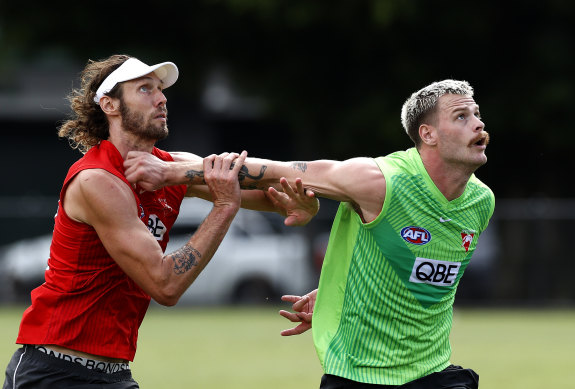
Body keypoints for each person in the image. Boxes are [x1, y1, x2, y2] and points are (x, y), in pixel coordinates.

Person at [123, 79, 494, 388]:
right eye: (461, 116)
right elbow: (272, 170)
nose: (477, 124)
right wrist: (168, 171)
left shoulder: (481, 201)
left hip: (433, 373)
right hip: (359, 375)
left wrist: (344, 290)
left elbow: (424, 269)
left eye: (476, 114)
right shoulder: (378, 181)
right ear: (427, 134)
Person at [2, 54, 318, 389]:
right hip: (54, 370)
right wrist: (224, 207)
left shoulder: (172, 168)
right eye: (145, 89)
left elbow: (267, 196)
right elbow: (164, 284)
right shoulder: (98, 181)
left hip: (112, 373)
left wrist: (298, 206)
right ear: (109, 105)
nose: (161, 97)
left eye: (161, 89)